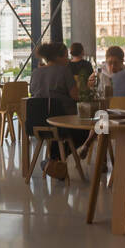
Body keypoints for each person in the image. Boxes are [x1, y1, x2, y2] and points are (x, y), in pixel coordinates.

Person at [27, 42, 82, 180]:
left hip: (36, 123)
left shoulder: (36, 72)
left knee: (57, 129)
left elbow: (33, 93)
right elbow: (75, 95)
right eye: (66, 56)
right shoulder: (64, 71)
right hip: (60, 122)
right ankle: (54, 159)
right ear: (58, 57)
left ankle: (53, 162)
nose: (68, 59)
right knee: (85, 130)